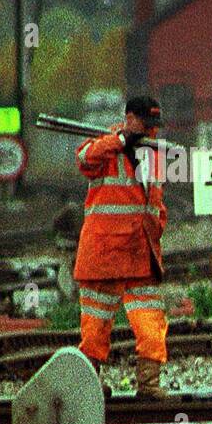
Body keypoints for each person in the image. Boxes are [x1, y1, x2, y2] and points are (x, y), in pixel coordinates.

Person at [72, 95, 168, 398]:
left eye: (155, 126)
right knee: (95, 329)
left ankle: (149, 385)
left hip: (139, 254)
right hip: (103, 255)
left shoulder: (154, 154)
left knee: (151, 322)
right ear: (130, 119)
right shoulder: (105, 146)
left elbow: (156, 202)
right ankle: (90, 385)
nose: (153, 131)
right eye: (147, 124)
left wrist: (156, 230)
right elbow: (84, 158)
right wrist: (118, 140)